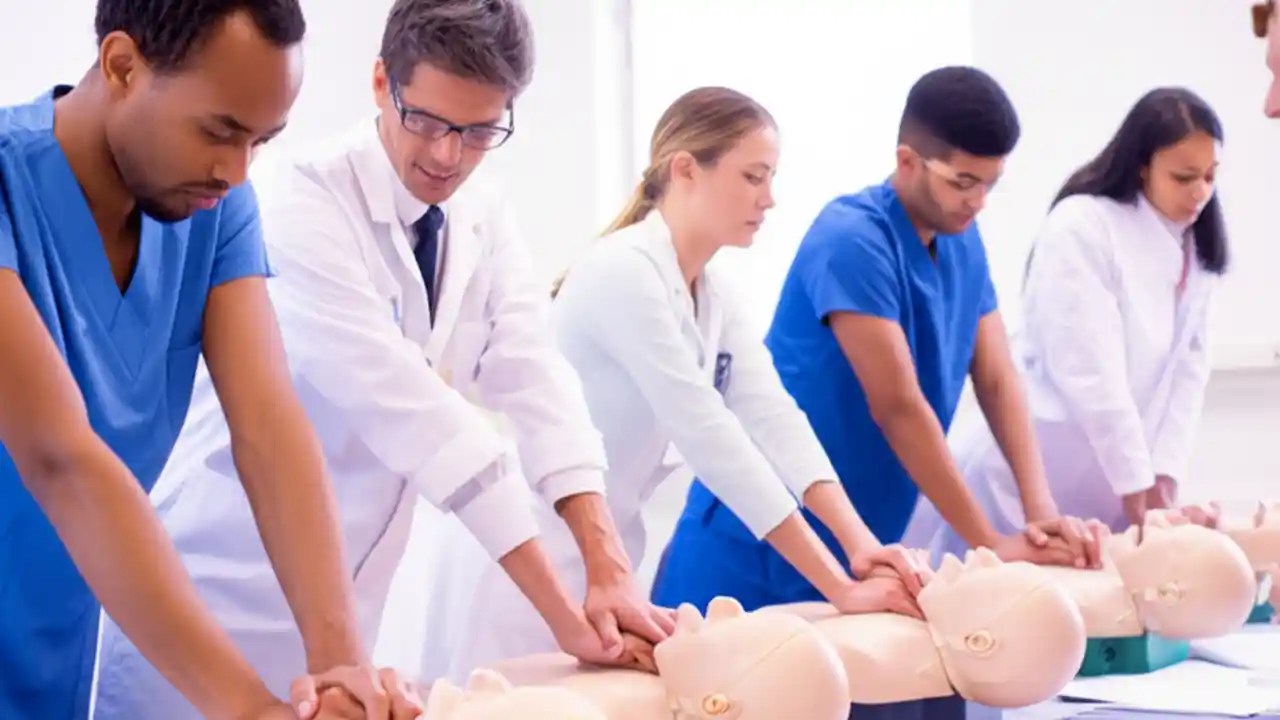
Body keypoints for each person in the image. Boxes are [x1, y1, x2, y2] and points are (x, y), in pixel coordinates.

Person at [93, 1, 672, 716]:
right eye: (425, 120)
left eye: (478, 131)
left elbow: (538, 379)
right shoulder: (298, 200)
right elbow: (420, 420)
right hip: (216, 600)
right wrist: (566, 614)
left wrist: (606, 567)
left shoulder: (482, 216)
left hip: (343, 621)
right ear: (380, 83)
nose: (445, 156)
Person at [422, 86, 929, 681]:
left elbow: (775, 420)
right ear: (685, 168)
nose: (769, 199)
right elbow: (712, 437)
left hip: (609, 561)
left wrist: (861, 545)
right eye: (752, 176)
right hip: (532, 560)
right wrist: (838, 587)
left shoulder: (711, 295)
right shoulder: (623, 273)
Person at [0, 1, 417, 718]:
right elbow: (59, 456)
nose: (236, 169)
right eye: (219, 131)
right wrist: (250, 708)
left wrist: (342, 665)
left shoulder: (213, 207)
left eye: (262, 141)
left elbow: (268, 426)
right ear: (122, 66)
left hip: (50, 654)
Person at [651, 66, 1103, 614]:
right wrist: (989, 542)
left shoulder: (963, 239)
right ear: (907, 160)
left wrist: (1040, 516)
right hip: (752, 548)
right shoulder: (851, 239)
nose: (978, 200)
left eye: (990, 184)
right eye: (963, 181)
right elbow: (898, 406)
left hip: (859, 546)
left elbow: (998, 377)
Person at [904, 88, 1227, 556]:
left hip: (1109, 485)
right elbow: (1091, 376)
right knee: (995, 609)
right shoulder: (1083, 226)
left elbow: (1187, 377)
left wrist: (1163, 486)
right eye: (1183, 177)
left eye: (1209, 177)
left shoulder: (1195, 251)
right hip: (1025, 478)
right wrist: (1140, 495)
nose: (1199, 192)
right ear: (1141, 165)